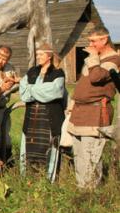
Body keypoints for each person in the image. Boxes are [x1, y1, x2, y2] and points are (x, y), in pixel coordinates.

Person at [68, 26, 120, 189]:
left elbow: (97, 77)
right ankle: (81, 190)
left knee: (91, 156)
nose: (90, 44)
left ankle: (90, 194)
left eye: (93, 41)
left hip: (96, 111)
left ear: (104, 39)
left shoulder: (114, 60)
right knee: (79, 155)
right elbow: (83, 84)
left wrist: (93, 57)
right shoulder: (95, 59)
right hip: (80, 112)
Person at [19, 44, 66, 180]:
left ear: (49, 56)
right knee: (29, 147)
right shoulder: (32, 71)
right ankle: (26, 178)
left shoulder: (58, 73)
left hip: (50, 117)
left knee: (50, 149)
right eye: (37, 54)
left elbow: (55, 92)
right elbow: (23, 92)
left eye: (41, 54)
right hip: (32, 116)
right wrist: (40, 91)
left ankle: (49, 180)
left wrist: (32, 89)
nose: (38, 57)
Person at [0, 45, 20, 167]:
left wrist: (11, 84)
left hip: (2, 108)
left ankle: (5, 163)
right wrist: (1, 88)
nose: (1, 61)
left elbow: (12, 83)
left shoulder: (9, 68)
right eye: (0, 57)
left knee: (5, 136)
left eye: (5, 59)